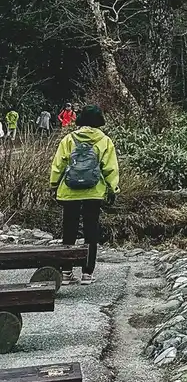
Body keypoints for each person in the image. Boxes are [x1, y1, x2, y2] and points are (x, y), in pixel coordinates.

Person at [49, 105, 119, 284]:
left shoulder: (68, 139)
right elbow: (110, 168)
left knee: (69, 230)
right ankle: (87, 273)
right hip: (94, 191)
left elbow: (59, 165)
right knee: (90, 231)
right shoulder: (104, 141)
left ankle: (66, 272)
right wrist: (113, 188)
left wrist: (54, 184)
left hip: (69, 190)